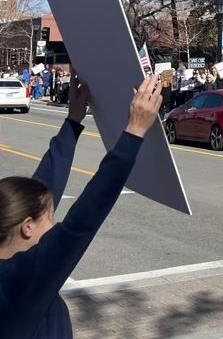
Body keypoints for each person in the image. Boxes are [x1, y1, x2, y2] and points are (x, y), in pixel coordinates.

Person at [0, 76, 162, 338]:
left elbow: (42, 187)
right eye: (50, 218)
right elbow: (81, 223)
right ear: (27, 227)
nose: (54, 225)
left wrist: (73, 122)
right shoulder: (19, 281)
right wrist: (134, 131)